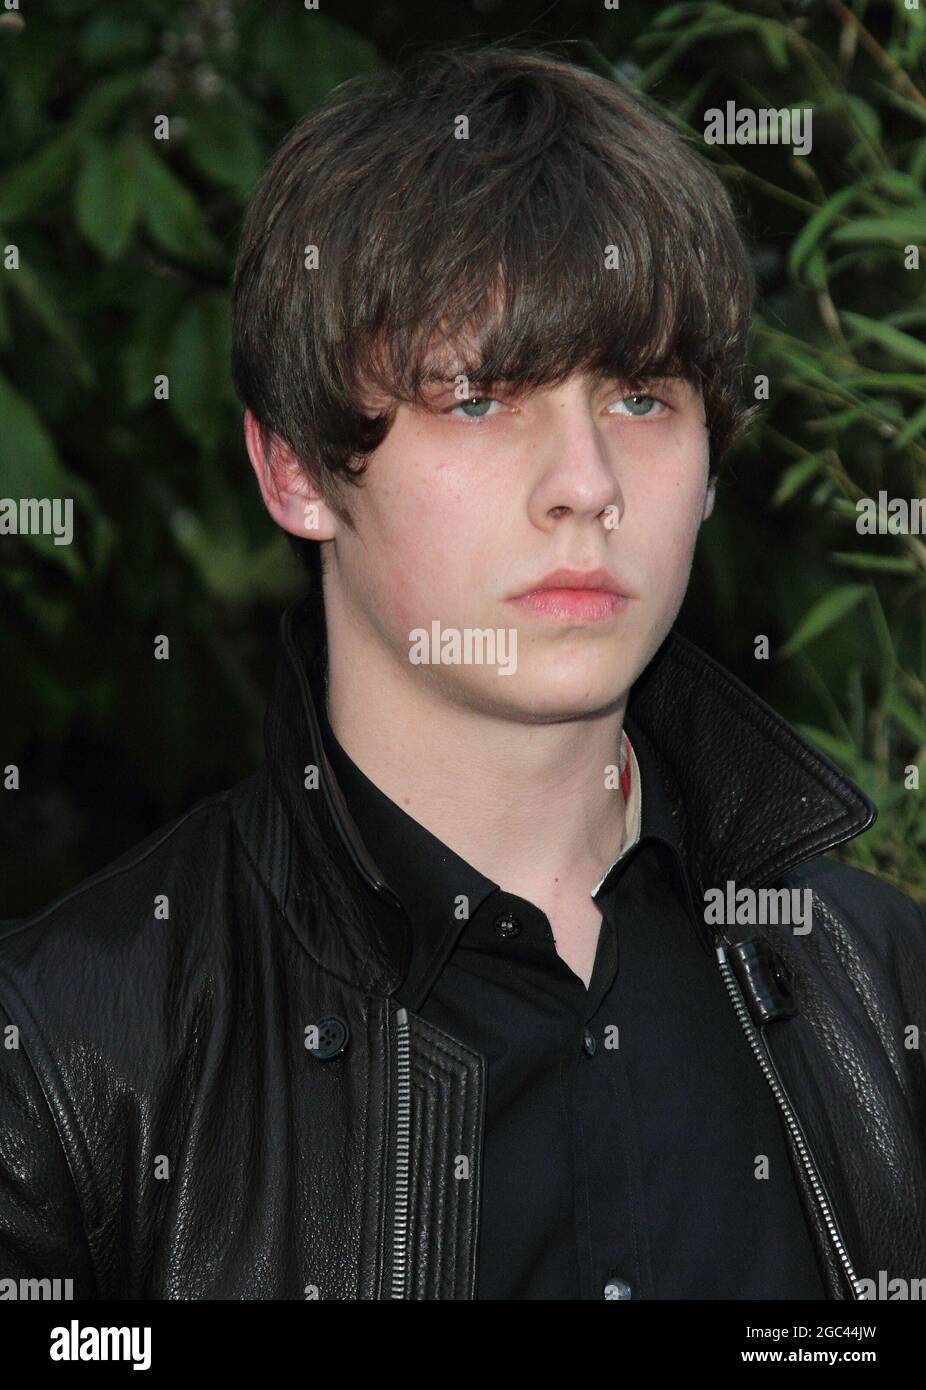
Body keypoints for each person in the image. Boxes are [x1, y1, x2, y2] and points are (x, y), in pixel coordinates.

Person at [1, 45, 924, 1302]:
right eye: (478, 398)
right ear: (296, 474)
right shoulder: (68, 1062)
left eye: (643, 398)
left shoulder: (875, 986)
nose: (586, 488)